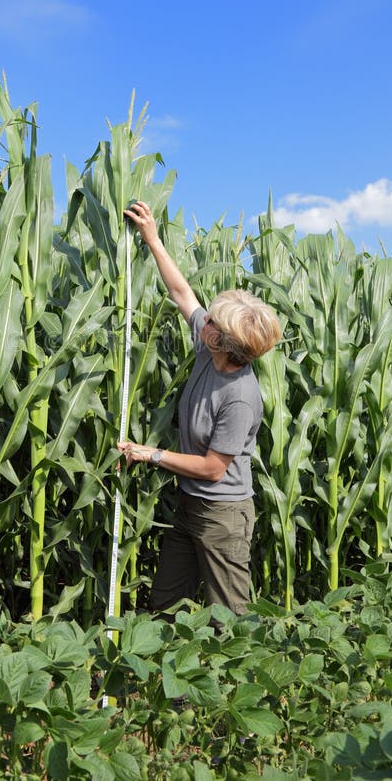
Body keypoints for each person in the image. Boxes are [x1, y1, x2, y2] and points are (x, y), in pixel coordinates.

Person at [118, 201, 281, 617]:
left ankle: (244, 680)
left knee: (230, 614)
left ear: (225, 344)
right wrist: (152, 238)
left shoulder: (240, 396)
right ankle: (166, 679)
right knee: (166, 602)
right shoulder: (211, 351)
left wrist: (149, 454)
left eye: (213, 323)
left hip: (223, 514)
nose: (203, 319)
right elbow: (181, 292)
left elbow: (213, 468)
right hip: (190, 505)